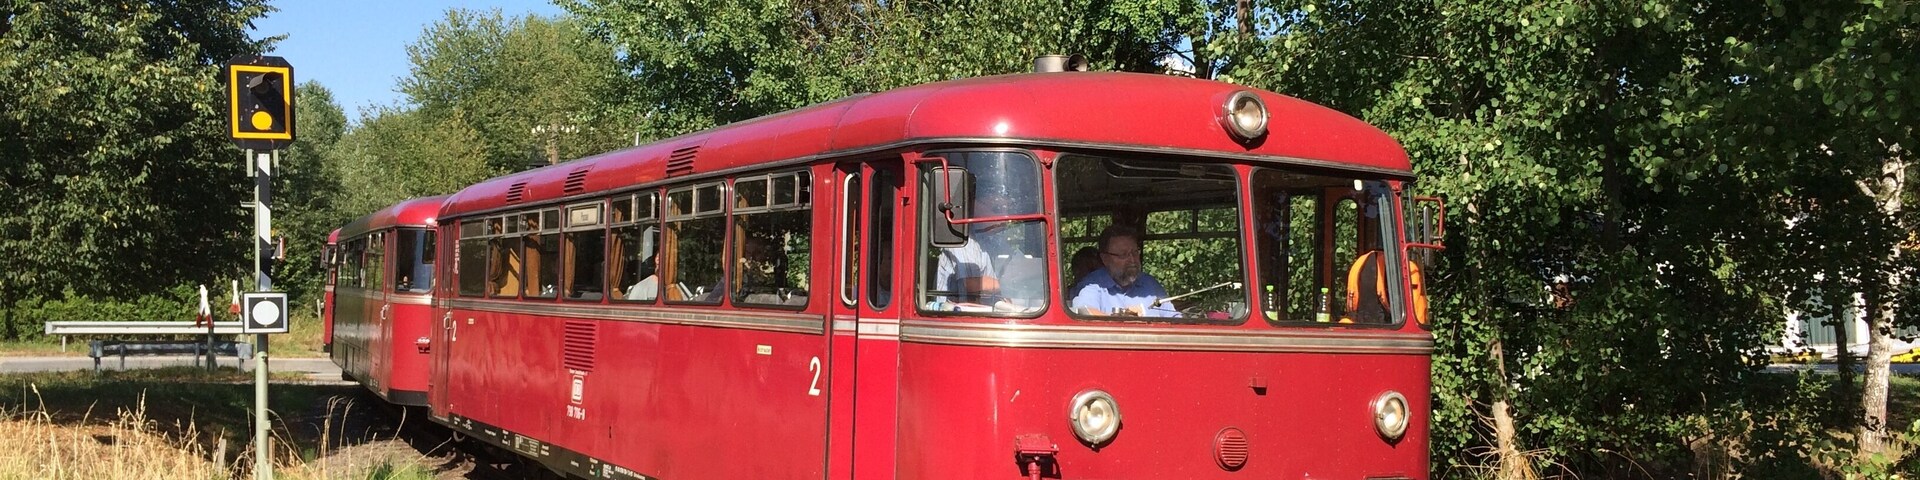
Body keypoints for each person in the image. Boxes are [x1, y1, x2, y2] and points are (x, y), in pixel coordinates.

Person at [1070, 225, 1178, 317]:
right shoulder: (1093, 285)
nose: (1132, 260)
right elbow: (1084, 312)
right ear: (1105, 259)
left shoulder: (1150, 284)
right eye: (1123, 254)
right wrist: (1123, 320)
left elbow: (1174, 318)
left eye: (1135, 252)